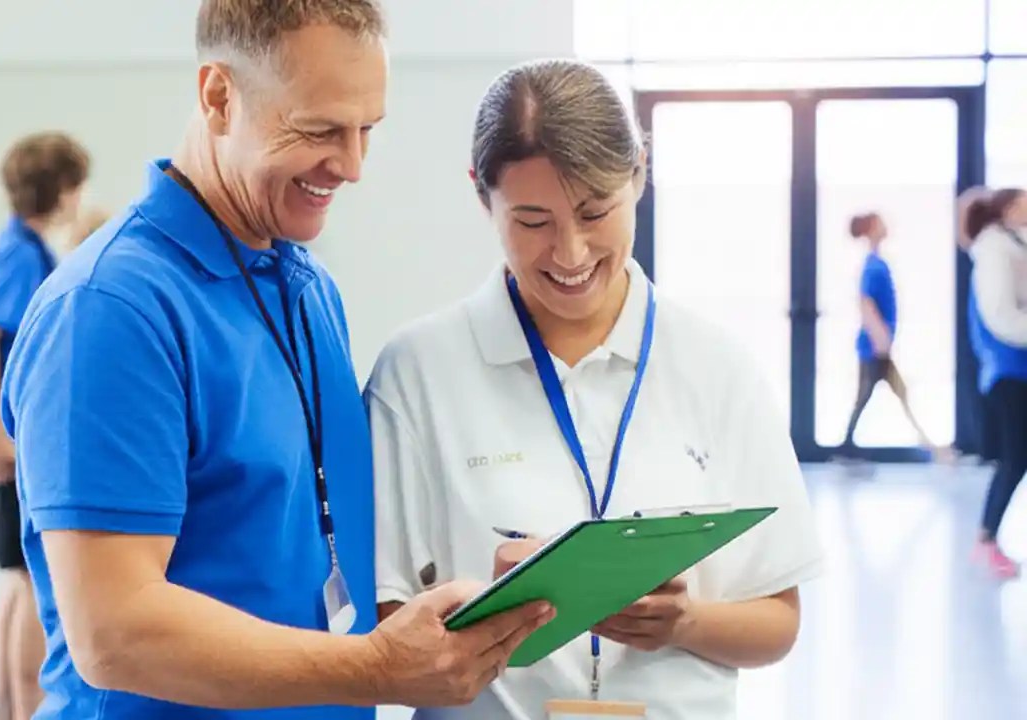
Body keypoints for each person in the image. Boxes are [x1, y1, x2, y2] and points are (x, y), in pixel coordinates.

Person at [0, 2, 552, 719]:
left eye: (367, 131)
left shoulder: (304, 284)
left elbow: (297, 543)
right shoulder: (109, 311)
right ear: (219, 97)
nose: (352, 167)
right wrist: (377, 667)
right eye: (321, 130)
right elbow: (115, 631)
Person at [368, 60, 822, 720]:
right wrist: (489, 614)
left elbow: (777, 622)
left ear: (638, 171)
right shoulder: (416, 372)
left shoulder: (717, 367)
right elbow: (384, 629)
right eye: (532, 221)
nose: (571, 252)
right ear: (481, 195)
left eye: (593, 211)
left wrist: (684, 621)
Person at [0, 131, 90, 720]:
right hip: (17, 445)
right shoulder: (20, 252)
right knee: (26, 581)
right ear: (63, 190)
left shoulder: (30, 249)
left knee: (16, 577)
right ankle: (23, 704)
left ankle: (5, 705)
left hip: (21, 442)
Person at [835, 212, 943, 459]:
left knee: (891, 394)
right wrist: (881, 339)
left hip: (878, 346)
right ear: (872, 227)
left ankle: (930, 446)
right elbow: (866, 303)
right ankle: (931, 448)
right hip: (874, 347)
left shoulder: (876, 263)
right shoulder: (873, 266)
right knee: (871, 397)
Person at [962, 187, 1027, 580]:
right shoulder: (994, 250)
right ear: (1005, 210)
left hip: (1016, 369)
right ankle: (985, 540)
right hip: (1008, 371)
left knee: (1018, 457)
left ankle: (986, 540)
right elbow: (1002, 316)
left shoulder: (1010, 246)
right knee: (1015, 458)